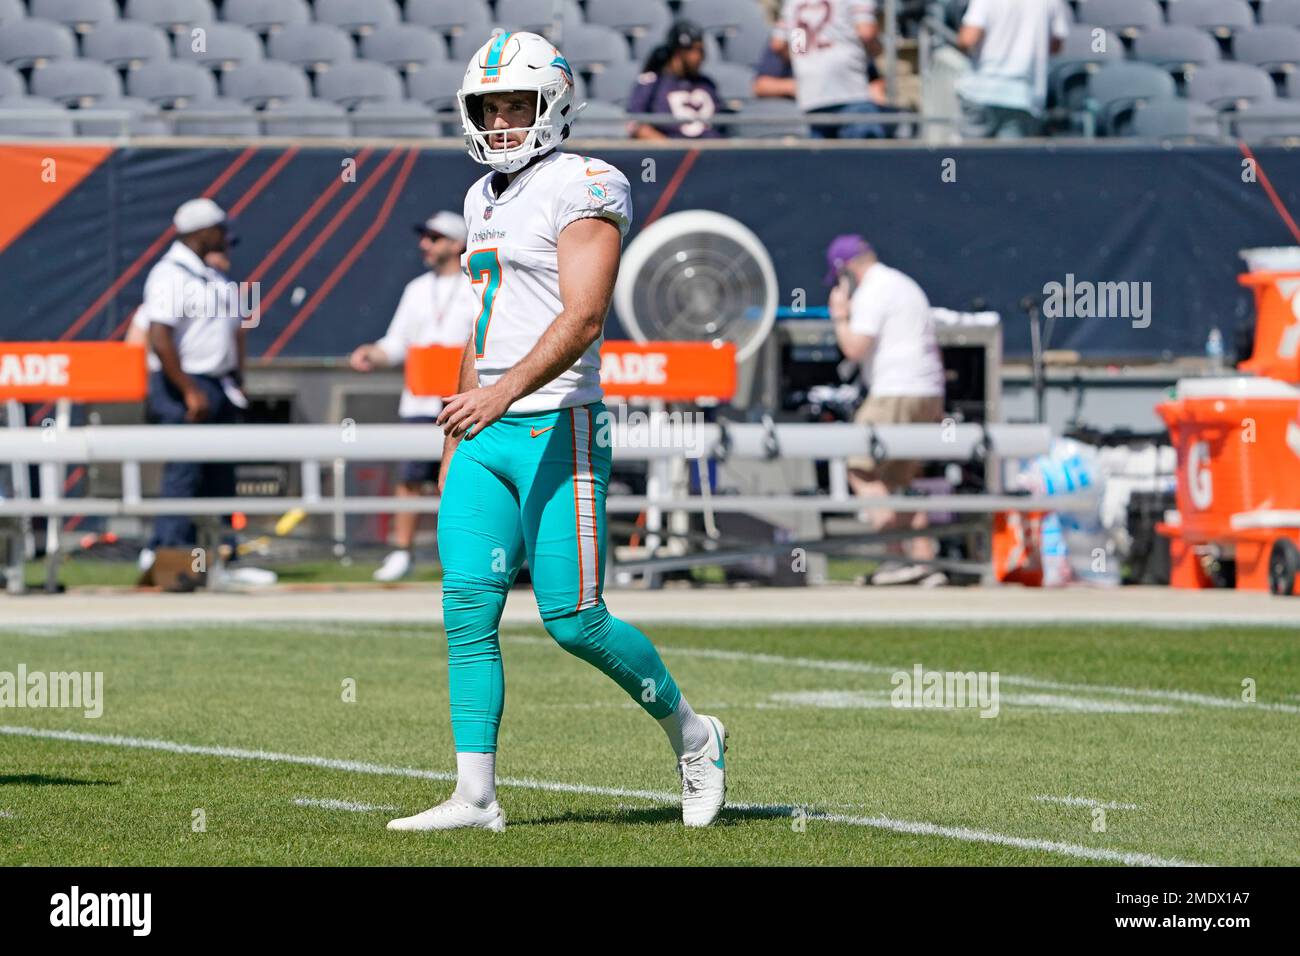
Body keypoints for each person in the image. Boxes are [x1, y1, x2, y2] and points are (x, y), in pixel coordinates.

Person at [385, 31, 727, 834]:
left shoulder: (588, 183)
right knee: (466, 608)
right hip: (488, 431)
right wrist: (457, 429)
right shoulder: (480, 196)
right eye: (488, 107)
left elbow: (583, 317)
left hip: (555, 425)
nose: (502, 122)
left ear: (555, 105)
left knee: (574, 619)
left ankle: (695, 735)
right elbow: (487, 321)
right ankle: (476, 796)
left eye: (516, 105)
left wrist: (500, 396)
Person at [349, 210, 476, 583]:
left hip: (462, 401)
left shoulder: (476, 285)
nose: (425, 244)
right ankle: (402, 552)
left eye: (434, 238)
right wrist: (374, 353)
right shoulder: (417, 289)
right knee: (410, 479)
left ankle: (462, 555)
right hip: (420, 401)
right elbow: (397, 343)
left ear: (456, 244)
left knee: (459, 478)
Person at [825, 234, 948, 587]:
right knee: (899, 481)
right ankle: (924, 563)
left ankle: (892, 558)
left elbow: (853, 347)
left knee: (860, 469)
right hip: (928, 392)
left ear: (845, 271)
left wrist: (840, 316)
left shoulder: (874, 289)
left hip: (897, 392)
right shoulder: (903, 284)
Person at [137, 199, 251, 576]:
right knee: (184, 472)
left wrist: (236, 380)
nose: (225, 237)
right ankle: (169, 556)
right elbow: (160, 337)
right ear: (203, 232)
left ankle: (219, 558)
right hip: (184, 384)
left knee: (219, 475)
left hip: (217, 384)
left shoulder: (213, 275)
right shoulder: (170, 275)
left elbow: (233, 333)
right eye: (219, 229)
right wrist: (187, 388)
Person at [771, 0, 888, 139]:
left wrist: (808, 60)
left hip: (811, 94)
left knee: (823, 159)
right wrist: (877, 50)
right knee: (864, 158)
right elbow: (866, 33)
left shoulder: (793, 2)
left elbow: (780, 45)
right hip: (849, 90)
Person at [955, 0, 1070, 139]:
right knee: (1011, 159)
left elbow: (968, 39)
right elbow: (1056, 45)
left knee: (971, 158)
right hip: (1023, 96)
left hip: (980, 91)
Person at [626, 19, 726, 140]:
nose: (700, 56)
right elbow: (635, 123)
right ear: (678, 52)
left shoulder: (707, 84)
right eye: (694, 50)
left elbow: (721, 124)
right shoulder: (653, 84)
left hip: (713, 153)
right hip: (669, 155)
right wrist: (669, 149)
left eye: (701, 50)